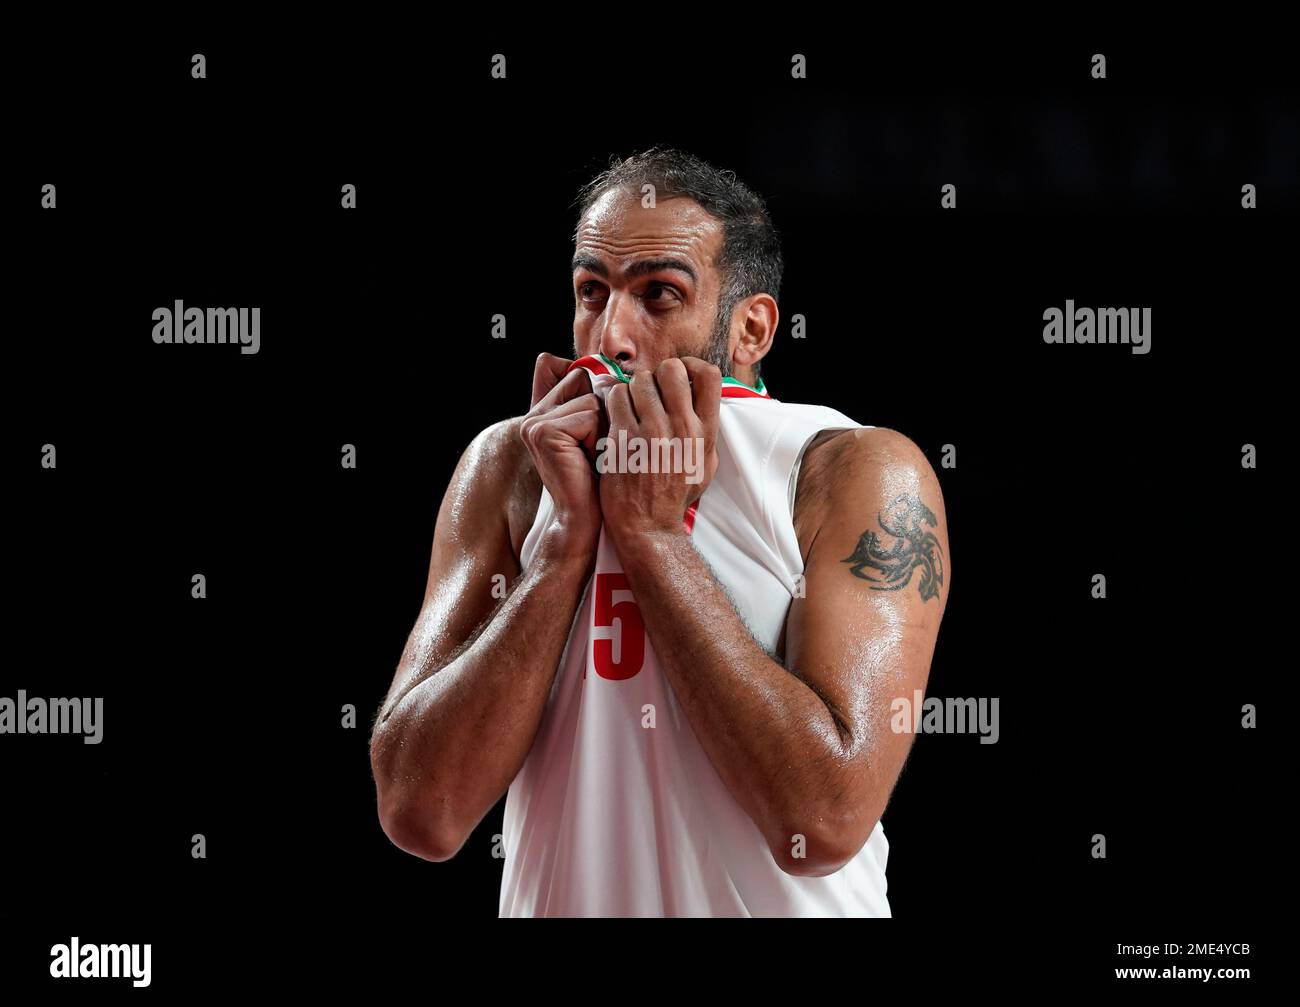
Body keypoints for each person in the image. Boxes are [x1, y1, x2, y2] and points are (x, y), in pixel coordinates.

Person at [369, 148, 951, 916]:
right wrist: (563, 548)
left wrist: (654, 539)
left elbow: (824, 818)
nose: (611, 334)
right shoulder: (512, 466)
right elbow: (421, 811)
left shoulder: (851, 470)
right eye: (591, 291)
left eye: (659, 294)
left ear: (750, 328)